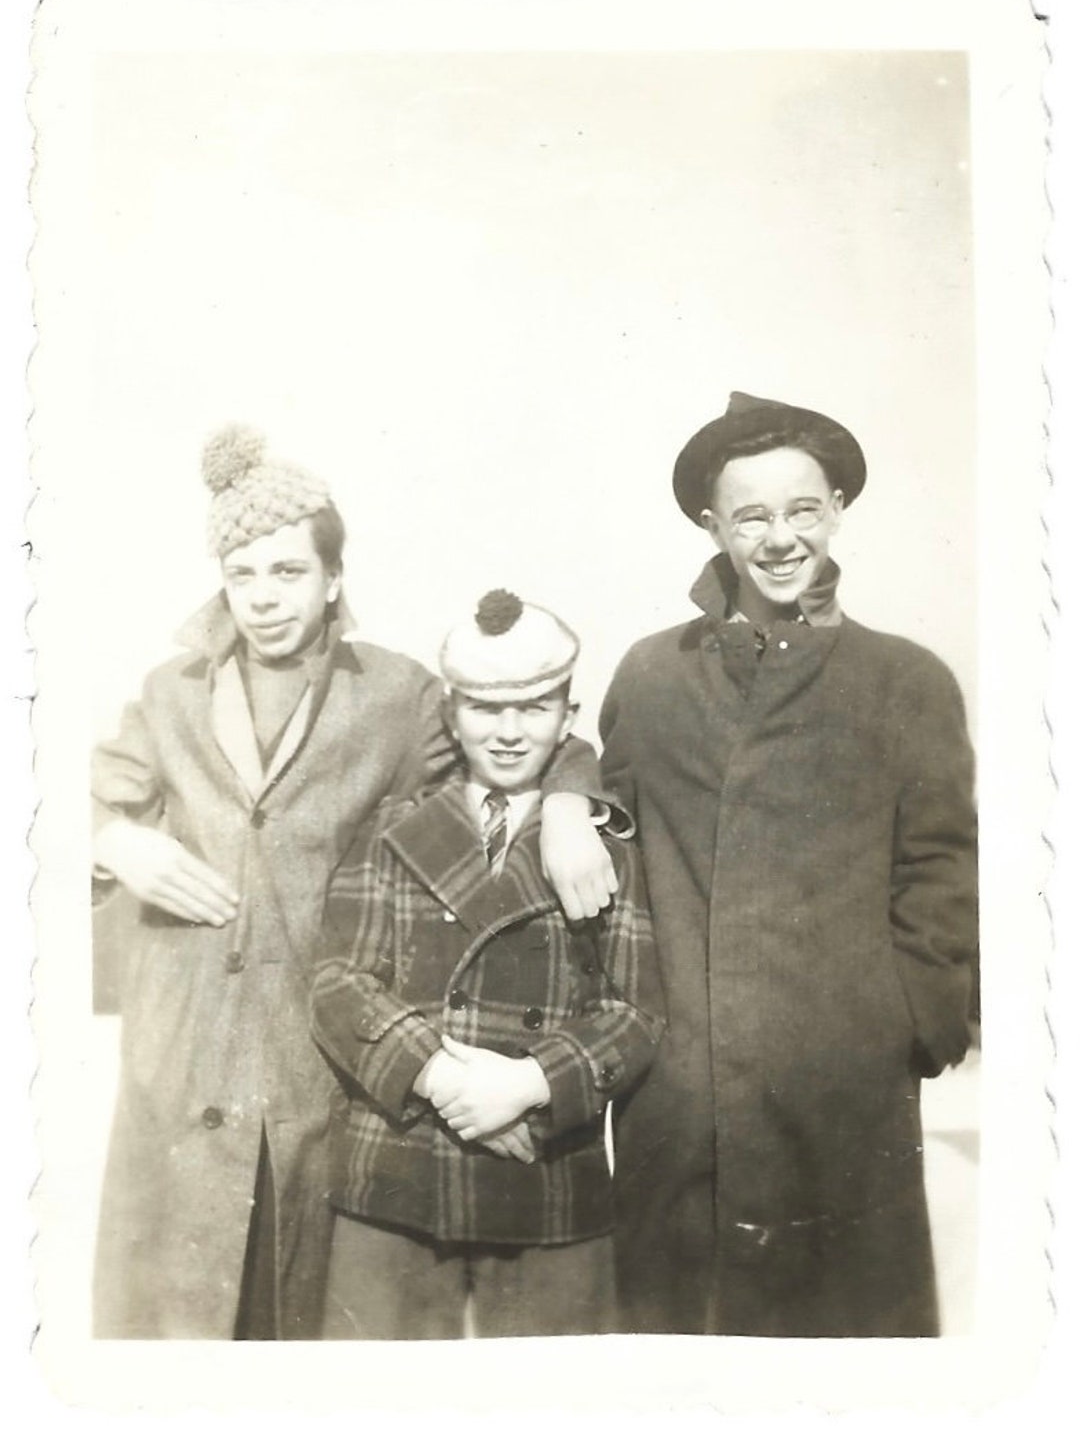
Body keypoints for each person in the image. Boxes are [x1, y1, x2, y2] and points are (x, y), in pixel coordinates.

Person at [90, 431, 619, 1340]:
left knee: (296, 1321)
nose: (263, 597)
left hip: (313, 1062)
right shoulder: (170, 692)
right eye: (242, 572)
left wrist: (573, 802)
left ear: (334, 578)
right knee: (169, 1328)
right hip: (179, 1059)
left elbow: (518, 745)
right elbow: (56, 812)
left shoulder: (395, 694)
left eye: (288, 571)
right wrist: (114, 842)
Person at [601, 391, 978, 1338]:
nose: (780, 538)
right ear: (712, 526)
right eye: (752, 516)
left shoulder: (906, 680)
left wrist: (906, 1027)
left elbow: (940, 870)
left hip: (842, 1100)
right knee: (678, 1378)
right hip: (682, 1099)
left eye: (802, 509)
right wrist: (571, 805)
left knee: (846, 1377)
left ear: (838, 511)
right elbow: (611, 821)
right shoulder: (650, 674)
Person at [311, 590, 665, 1339]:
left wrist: (528, 1083)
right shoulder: (392, 828)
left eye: (535, 709)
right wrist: (442, 1079)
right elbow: (338, 984)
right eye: (484, 709)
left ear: (569, 717)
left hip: (545, 1176)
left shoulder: (604, 848)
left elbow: (634, 1015)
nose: (508, 733)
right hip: (396, 1174)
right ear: (450, 713)